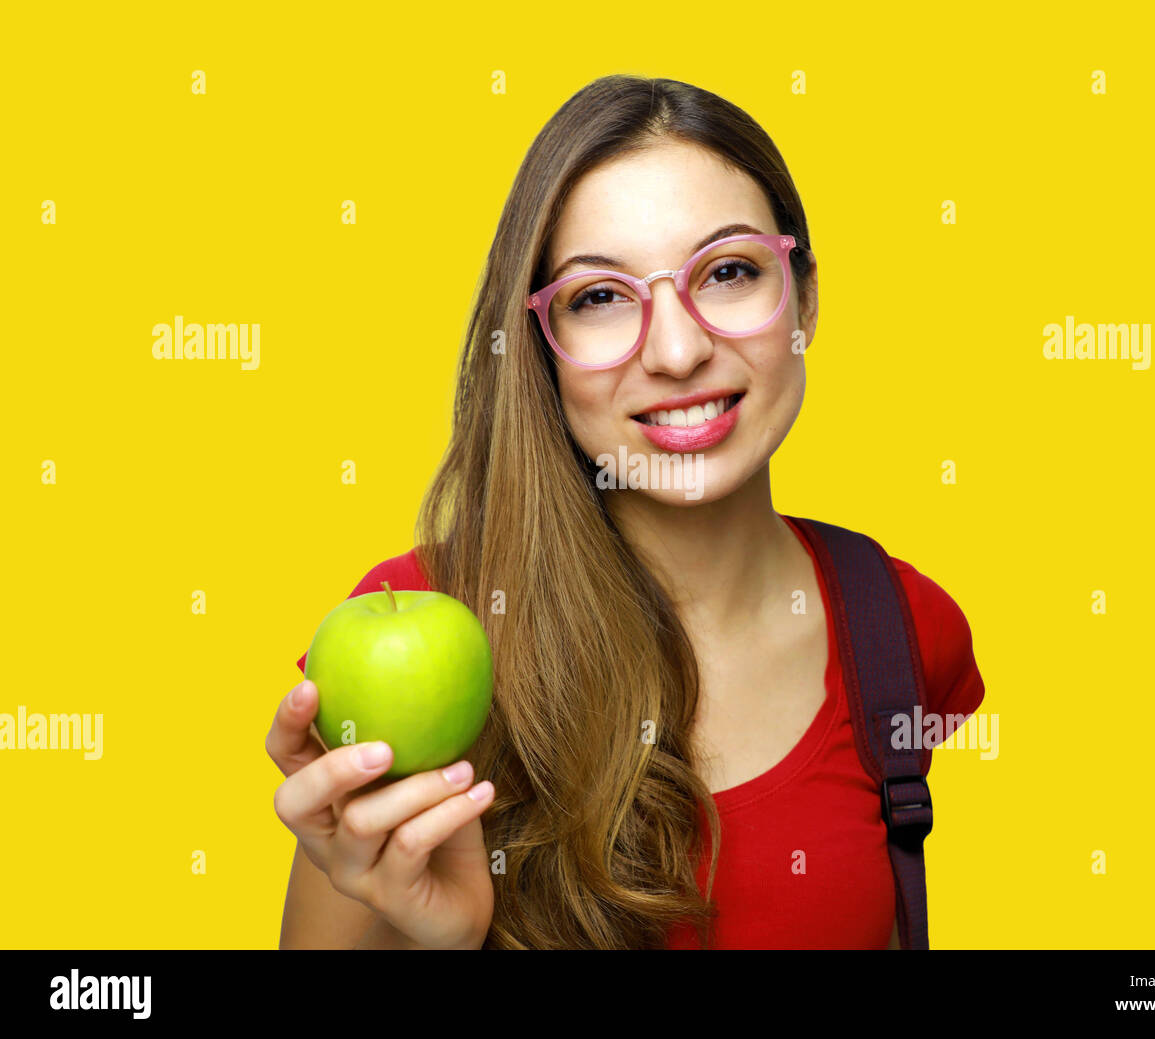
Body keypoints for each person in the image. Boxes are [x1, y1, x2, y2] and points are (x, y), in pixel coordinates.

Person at [267, 74, 985, 950]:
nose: (679, 351)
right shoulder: (434, 615)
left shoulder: (903, 626)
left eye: (727, 272)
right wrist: (429, 938)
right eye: (600, 297)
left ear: (804, 297)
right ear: (541, 347)